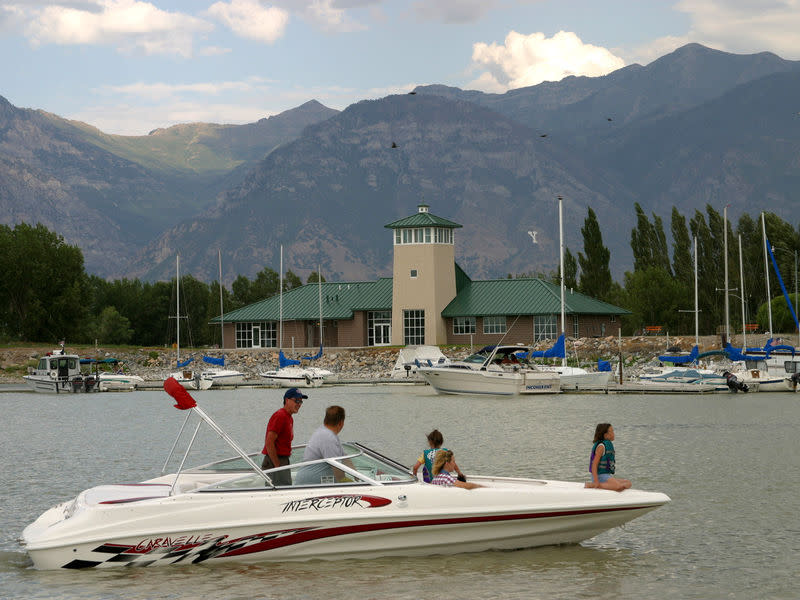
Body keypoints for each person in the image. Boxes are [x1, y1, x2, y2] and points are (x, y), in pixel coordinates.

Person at [295, 405, 352, 485]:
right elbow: (337, 468)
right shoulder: (328, 437)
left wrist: (358, 476)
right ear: (341, 423)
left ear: (325, 420)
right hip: (310, 484)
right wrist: (349, 483)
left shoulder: (327, 433)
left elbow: (345, 459)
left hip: (316, 482)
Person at [261, 387, 306, 486]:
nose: (299, 404)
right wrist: (277, 465)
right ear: (287, 400)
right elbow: (269, 442)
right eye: (296, 401)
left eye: (301, 402)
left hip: (282, 460)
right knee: (280, 492)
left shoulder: (289, 417)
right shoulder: (280, 416)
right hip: (275, 461)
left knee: (286, 489)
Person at [585, 423, 631, 492]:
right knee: (617, 486)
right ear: (605, 435)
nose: (613, 433)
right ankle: (592, 485)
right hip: (599, 475)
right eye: (612, 431)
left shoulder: (608, 445)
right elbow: (594, 465)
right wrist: (596, 481)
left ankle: (610, 485)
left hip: (606, 475)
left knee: (628, 483)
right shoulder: (601, 446)